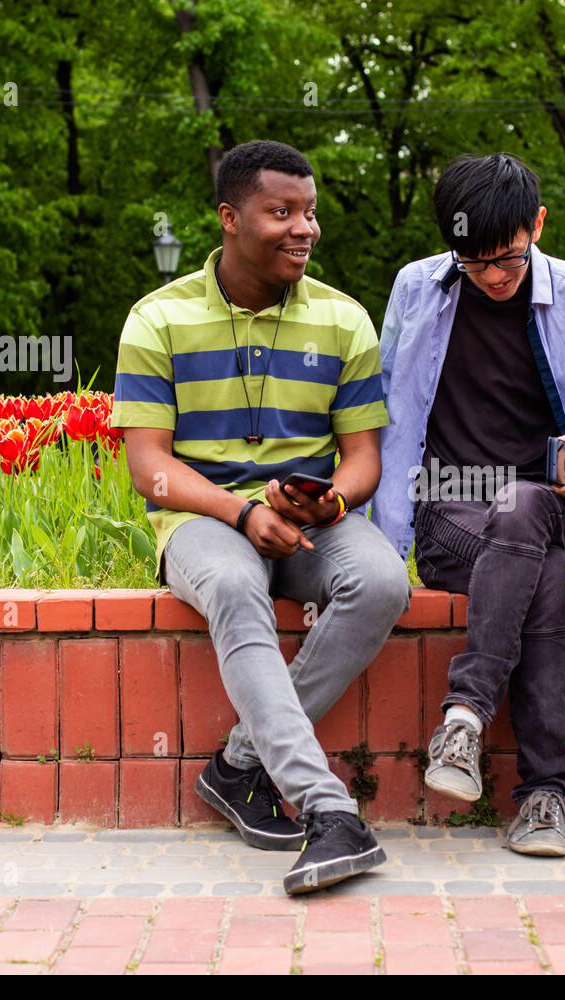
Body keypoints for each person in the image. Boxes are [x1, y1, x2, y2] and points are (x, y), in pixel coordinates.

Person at [111, 140, 410, 895]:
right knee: (238, 587)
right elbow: (150, 467)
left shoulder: (343, 320)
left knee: (380, 582)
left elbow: (363, 459)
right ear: (230, 218)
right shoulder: (158, 318)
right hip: (203, 517)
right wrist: (242, 515)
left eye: (309, 212)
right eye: (281, 212)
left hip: (312, 520)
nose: (303, 228)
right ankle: (328, 809)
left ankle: (238, 764)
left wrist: (332, 499)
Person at [371, 153, 565, 857]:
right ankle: (545, 796)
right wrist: (385, 541)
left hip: (556, 494)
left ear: (537, 225)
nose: (492, 276)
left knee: (526, 508)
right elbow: (393, 409)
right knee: (546, 575)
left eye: (508, 258)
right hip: (450, 509)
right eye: (474, 261)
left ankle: (465, 715)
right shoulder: (416, 288)